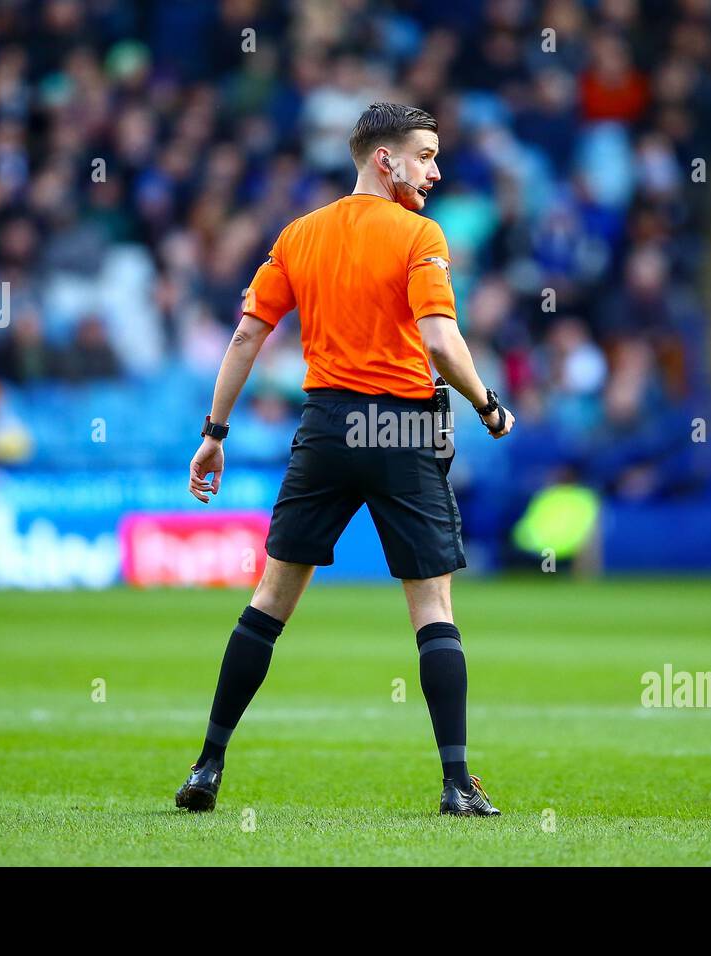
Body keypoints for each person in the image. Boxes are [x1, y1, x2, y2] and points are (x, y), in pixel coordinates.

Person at [177, 102, 514, 816]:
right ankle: (456, 784)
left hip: (328, 426)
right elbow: (441, 343)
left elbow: (244, 339)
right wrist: (487, 405)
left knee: (269, 600)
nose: (436, 169)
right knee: (432, 606)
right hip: (401, 431)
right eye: (425, 154)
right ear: (384, 159)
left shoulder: (299, 235)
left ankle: (208, 765)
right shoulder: (420, 234)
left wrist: (215, 432)